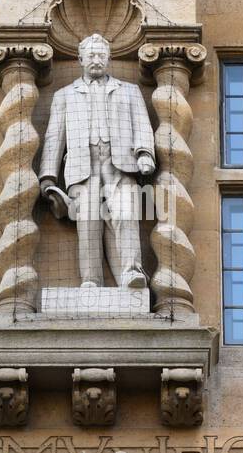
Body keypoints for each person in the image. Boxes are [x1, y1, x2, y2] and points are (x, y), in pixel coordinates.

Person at [39, 33, 156, 289]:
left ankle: (131, 273)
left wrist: (145, 153)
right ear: (80, 59)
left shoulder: (129, 91)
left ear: (109, 58)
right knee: (88, 225)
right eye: (91, 55)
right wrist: (48, 177)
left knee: (126, 214)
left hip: (121, 166)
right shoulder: (64, 95)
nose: (96, 60)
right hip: (82, 167)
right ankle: (91, 280)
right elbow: (54, 137)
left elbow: (142, 126)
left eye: (101, 55)